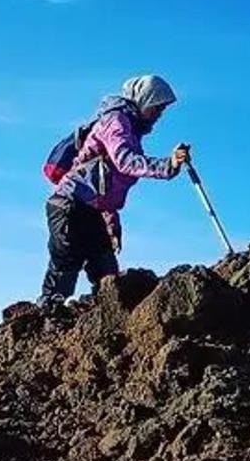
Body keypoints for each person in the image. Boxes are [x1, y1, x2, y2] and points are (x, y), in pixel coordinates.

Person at [41, 74, 189, 304]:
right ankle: (48, 320)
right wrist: (167, 165)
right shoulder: (116, 121)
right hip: (69, 203)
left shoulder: (130, 130)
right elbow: (124, 161)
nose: (159, 115)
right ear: (144, 100)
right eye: (157, 107)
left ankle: (99, 321)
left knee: (106, 271)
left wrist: (111, 224)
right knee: (66, 265)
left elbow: (105, 185)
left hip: (89, 209)